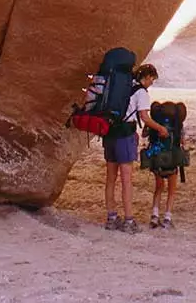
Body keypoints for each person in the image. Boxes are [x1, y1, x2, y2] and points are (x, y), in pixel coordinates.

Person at [80, 62, 168, 232]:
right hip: (125, 136)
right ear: (147, 77)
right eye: (152, 80)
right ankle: (129, 220)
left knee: (110, 178)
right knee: (127, 180)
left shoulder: (122, 87)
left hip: (109, 133)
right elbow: (144, 116)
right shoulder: (141, 92)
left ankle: (111, 217)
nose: (151, 83)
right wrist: (160, 128)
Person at [145, 100, 186, 229]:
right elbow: (183, 142)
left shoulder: (155, 124)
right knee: (171, 190)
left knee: (158, 188)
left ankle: (155, 215)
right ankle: (167, 217)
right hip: (172, 162)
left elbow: (144, 134)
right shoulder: (178, 126)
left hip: (157, 162)